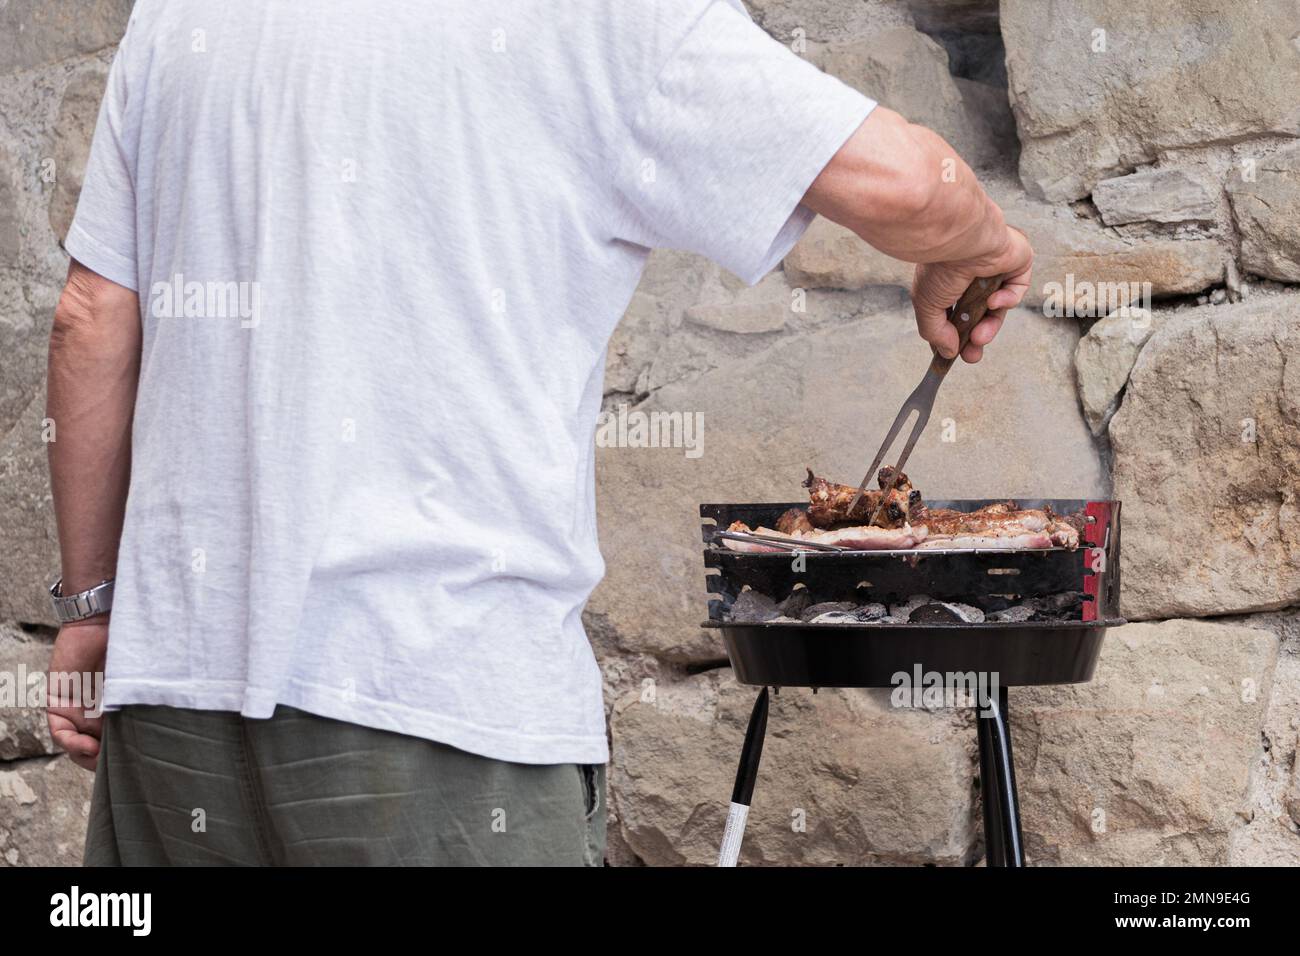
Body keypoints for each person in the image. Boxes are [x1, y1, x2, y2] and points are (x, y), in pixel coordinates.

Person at [45, 0, 1032, 866]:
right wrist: (981, 246)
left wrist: (93, 606)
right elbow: (910, 187)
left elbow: (92, 315)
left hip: (171, 715)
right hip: (439, 716)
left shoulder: (178, 12)